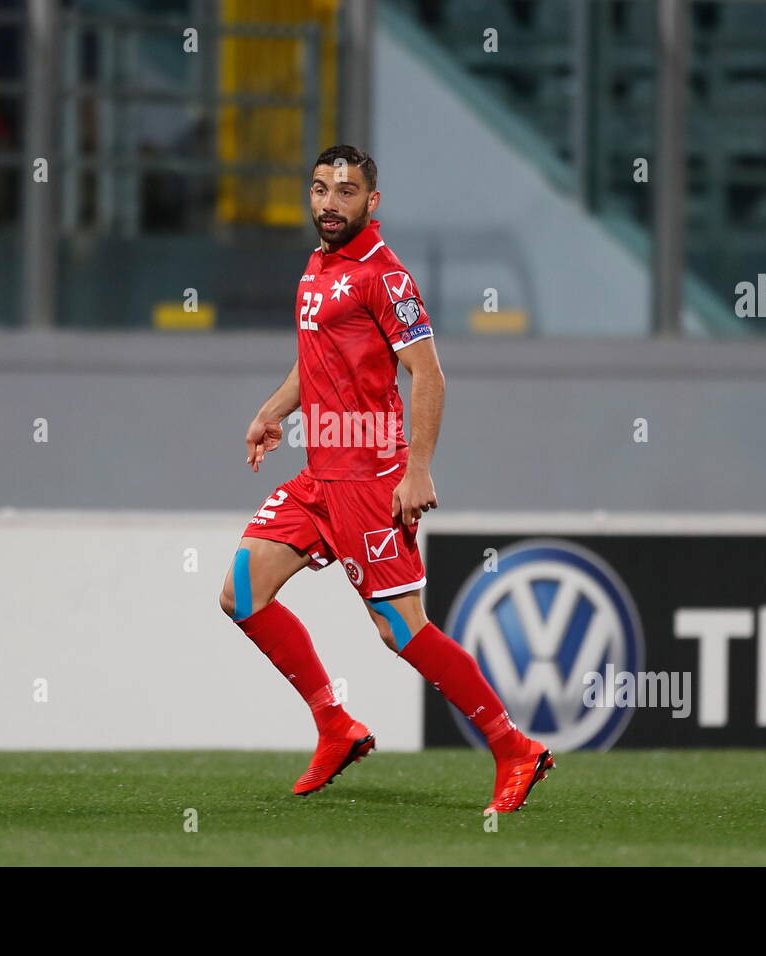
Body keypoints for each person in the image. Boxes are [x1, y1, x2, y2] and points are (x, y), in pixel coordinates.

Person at [218, 145, 553, 815]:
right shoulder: (318, 267)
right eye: (319, 189)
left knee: (400, 631)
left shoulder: (384, 275)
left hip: (371, 478)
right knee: (242, 593)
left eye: (344, 192)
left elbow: (428, 374)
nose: (327, 203)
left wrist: (417, 469)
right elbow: (316, 355)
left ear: (372, 203)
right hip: (320, 474)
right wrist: (273, 411)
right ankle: (335, 725)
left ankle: (514, 746)